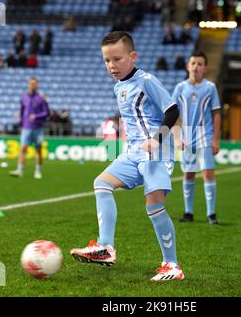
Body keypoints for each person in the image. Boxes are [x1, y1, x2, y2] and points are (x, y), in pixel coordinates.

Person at [70, 31, 184, 282]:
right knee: (102, 183)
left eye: (117, 59)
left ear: (133, 56)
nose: (112, 66)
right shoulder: (118, 86)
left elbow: (173, 110)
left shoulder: (147, 80)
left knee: (154, 207)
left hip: (156, 153)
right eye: (107, 61)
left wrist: (157, 139)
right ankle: (106, 248)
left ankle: (172, 265)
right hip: (133, 153)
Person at [172, 51, 222, 225]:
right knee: (189, 174)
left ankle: (211, 214)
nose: (196, 67)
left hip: (205, 136)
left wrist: (215, 139)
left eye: (200, 64)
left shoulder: (210, 87)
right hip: (187, 138)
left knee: (208, 173)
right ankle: (188, 212)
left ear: (205, 68)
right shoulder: (180, 88)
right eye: (193, 63)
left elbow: (216, 113)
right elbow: (172, 115)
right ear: (188, 66)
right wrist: (177, 138)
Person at [10, 77, 50, 179]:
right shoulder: (23, 98)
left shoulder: (41, 98)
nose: (32, 85)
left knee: (38, 149)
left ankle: (38, 171)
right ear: (28, 84)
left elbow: (46, 113)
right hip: (26, 128)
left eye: (34, 84)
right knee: (23, 148)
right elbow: (22, 111)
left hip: (38, 128)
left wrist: (36, 116)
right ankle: (19, 170)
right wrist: (21, 123)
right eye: (31, 83)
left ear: (37, 85)